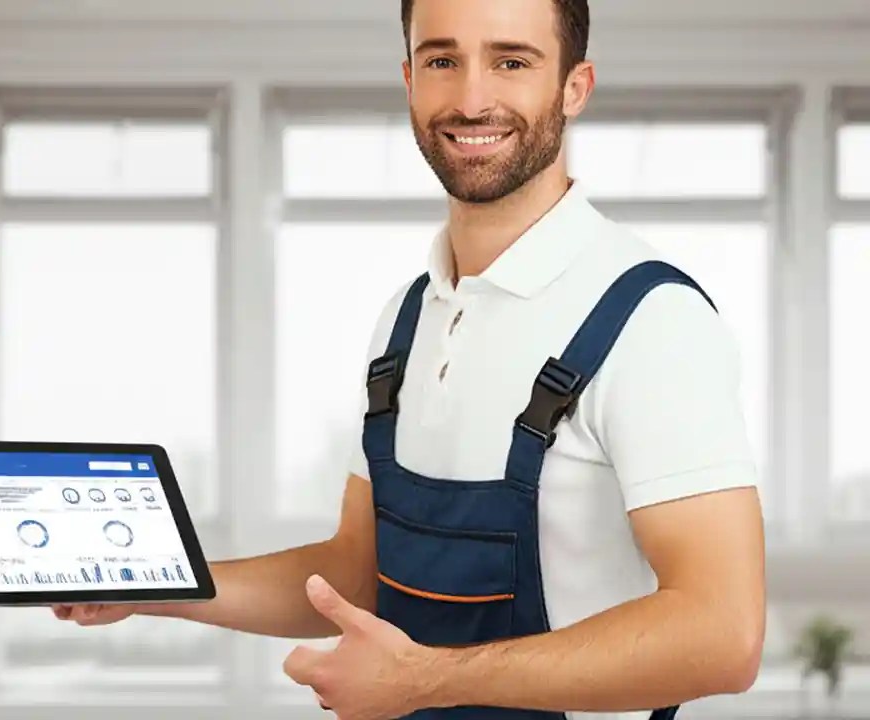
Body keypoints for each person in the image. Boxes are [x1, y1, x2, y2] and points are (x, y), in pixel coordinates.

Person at [52, 0, 767, 718]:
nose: (471, 98)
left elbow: (722, 634)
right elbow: (359, 571)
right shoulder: (406, 317)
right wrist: (159, 586)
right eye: (442, 61)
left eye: (511, 62)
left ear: (575, 87)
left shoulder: (651, 320)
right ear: (409, 79)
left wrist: (425, 681)